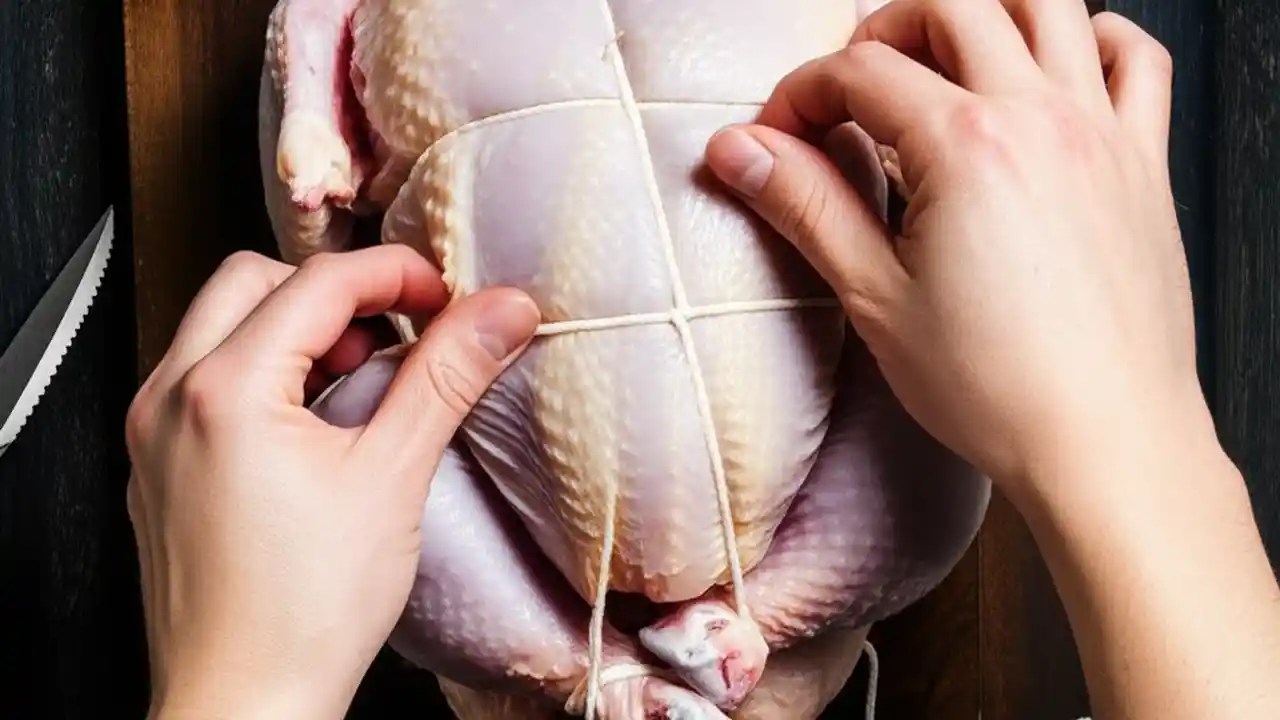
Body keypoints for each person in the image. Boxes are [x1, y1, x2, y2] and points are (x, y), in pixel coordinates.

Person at [124, 1, 1280, 718]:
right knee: (363, 400)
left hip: (631, 435)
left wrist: (247, 691)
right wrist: (1135, 441)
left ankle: (594, 669)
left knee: (346, 397)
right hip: (524, 470)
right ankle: (687, 643)